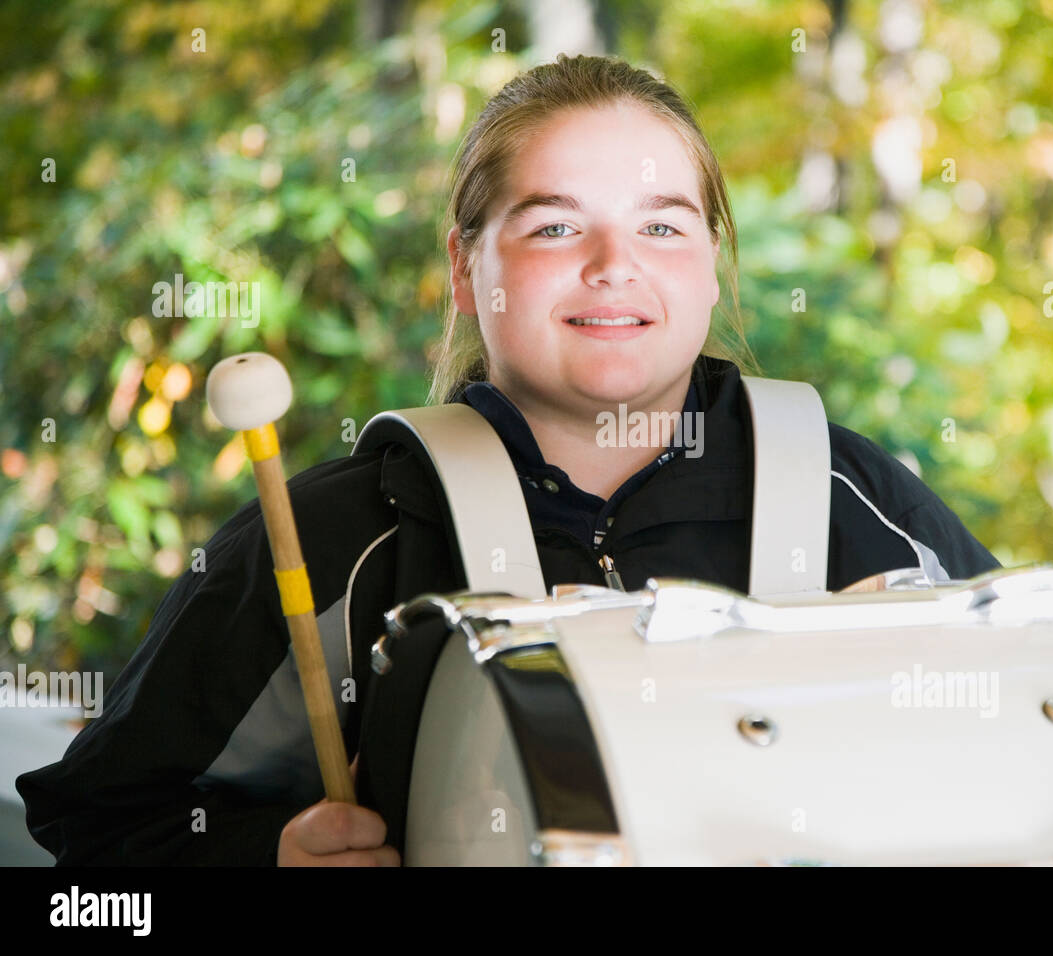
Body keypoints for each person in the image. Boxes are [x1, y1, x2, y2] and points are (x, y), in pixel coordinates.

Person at [18, 53, 1000, 866]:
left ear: (710, 263)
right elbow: (94, 829)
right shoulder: (338, 533)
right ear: (463, 267)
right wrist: (263, 852)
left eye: (662, 224)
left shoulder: (849, 497)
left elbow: (1028, 751)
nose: (614, 263)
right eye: (555, 226)